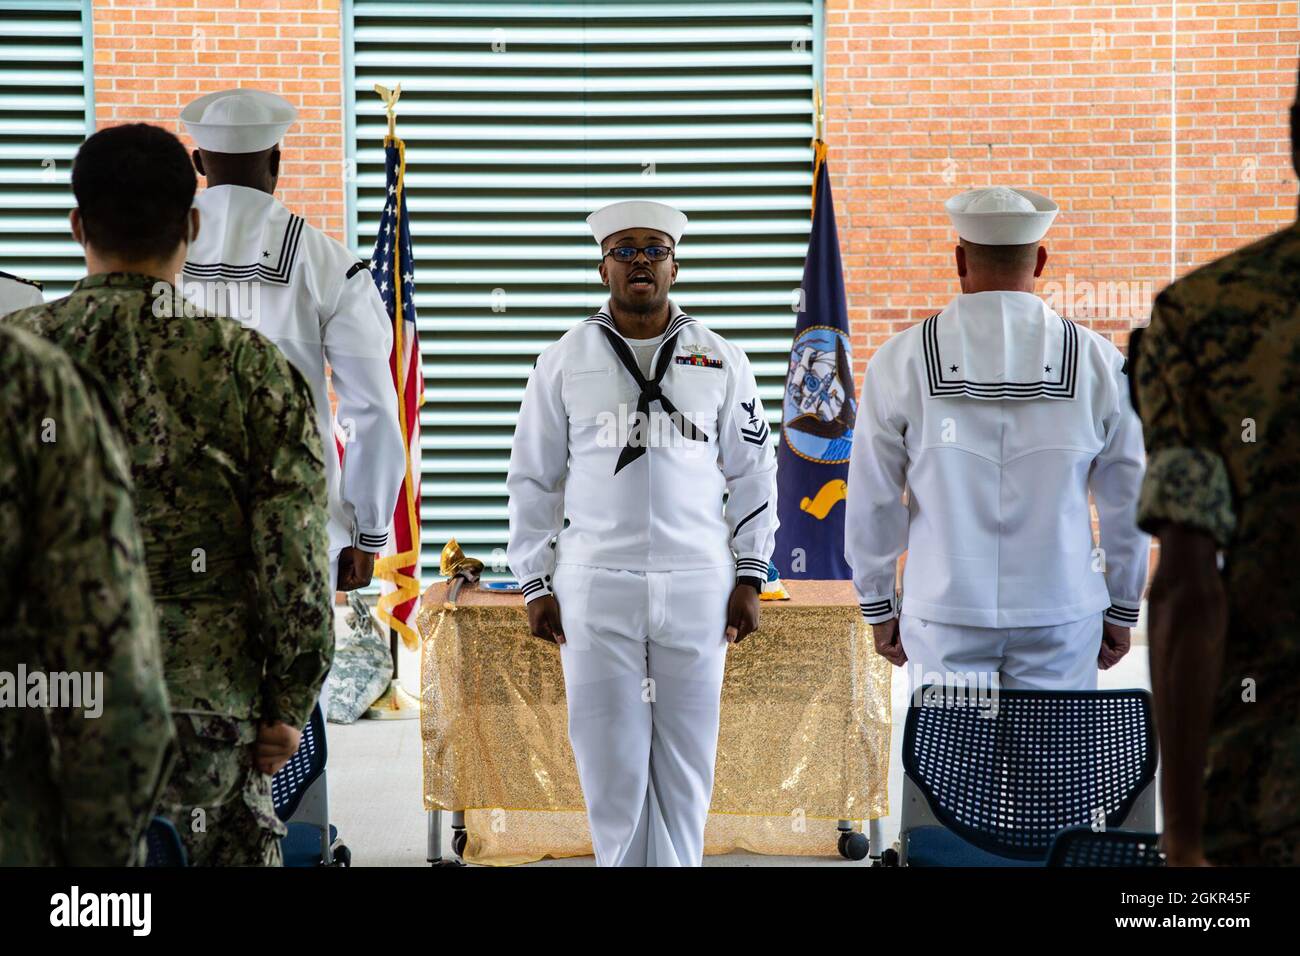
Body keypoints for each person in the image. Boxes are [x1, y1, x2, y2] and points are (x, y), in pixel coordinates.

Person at [4, 122, 333, 866]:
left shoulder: (18, 357)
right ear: (191, 223)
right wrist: (288, 704)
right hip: (206, 709)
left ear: (78, 225)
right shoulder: (250, 365)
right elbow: (294, 556)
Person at [506, 200, 779, 866]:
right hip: (597, 587)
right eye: (624, 250)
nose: (640, 263)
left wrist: (751, 573)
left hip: (698, 587)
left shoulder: (721, 358)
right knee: (612, 771)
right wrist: (535, 582)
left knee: (687, 772)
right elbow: (533, 478)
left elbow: (755, 473)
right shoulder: (563, 359)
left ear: (674, 265)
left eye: (653, 249)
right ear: (603, 266)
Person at [845, 186, 1149, 692]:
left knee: (951, 771)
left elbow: (873, 499)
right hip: (1061, 613)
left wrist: (878, 603)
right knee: (1052, 771)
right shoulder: (1100, 363)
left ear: (960, 260)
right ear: (1041, 261)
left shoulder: (899, 360)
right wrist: (1122, 605)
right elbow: (1130, 501)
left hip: (944, 615)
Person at [1135, 70, 1300, 867]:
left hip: (1267, 784)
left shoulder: (1204, 316)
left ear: (1296, 138)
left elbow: (1188, 588)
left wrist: (1183, 838)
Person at [180, 88, 404, 594]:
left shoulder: (152, 256)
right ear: (276, 160)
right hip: (296, 536)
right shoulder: (329, 264)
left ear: (198, 160)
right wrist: (368, 534)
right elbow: (372, 409)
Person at [0, 323, 174, 865]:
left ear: (78, 229)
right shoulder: (28, 376)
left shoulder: (35, 347)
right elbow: (101, 639)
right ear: (192, 231)